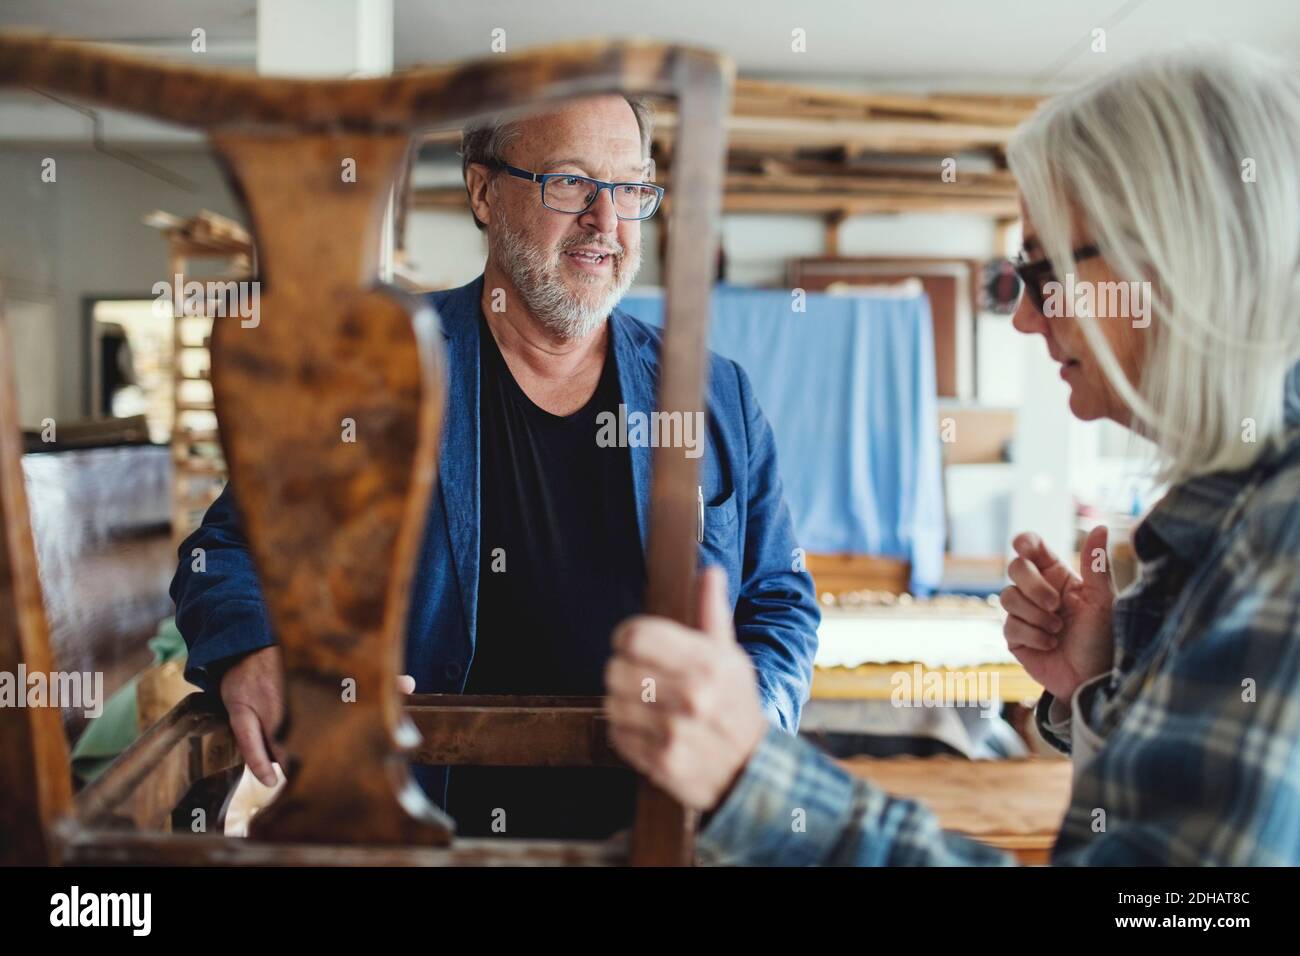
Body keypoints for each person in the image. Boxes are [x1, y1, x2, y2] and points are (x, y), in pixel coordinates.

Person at [605, 46, 1300, 865]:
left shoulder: (1279, 538)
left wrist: (753, 780)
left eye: (1041, 273)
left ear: (1172, 257)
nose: (1025, 321)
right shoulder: (1236, 523)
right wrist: (1099, 691)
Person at [171, 93, 819, 839]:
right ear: (483, 192)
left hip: (667, 834)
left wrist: (755, 720)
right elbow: (221, 553)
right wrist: (254, 645)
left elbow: (780, 596)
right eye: (571, 183)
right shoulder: (376, 376)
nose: (606, 224)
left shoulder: (714, 393)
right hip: (431, 828)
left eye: (631, 188)